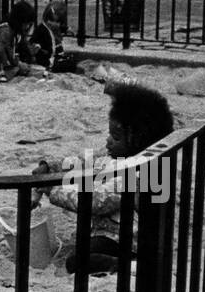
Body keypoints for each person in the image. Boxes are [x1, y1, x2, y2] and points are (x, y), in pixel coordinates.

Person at [34, 81, 175, 275]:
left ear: (140, 140)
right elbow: (82, 162)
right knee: (85, 250)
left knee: (77, 261)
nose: (108, 140)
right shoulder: (114, 155)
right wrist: (51, 166)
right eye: (110, 134)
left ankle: (126, 266)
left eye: (116, 137)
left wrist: (53, 190)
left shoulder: (136, 173)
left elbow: (93, 201)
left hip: (127, 240)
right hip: (110, 233)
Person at [0, 0, 37, 82]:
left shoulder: (16, 30)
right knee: (0, 49)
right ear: (19, 21)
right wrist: (18, 63)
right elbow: (8, 49)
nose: (28, 27)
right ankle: (1, 72)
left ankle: (11, 68)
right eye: (26, 24)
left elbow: (22, 44)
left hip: (4, 48)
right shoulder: (6, 30)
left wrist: (30, 55)